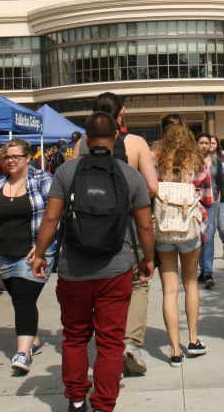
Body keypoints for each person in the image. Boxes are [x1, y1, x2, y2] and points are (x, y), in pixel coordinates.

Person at [30, 111, 155, 412]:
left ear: (85, 138)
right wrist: (148, 259)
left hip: (74, 271)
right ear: (116, 137)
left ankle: (75, 399)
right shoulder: (130, 175)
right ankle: (103, 405)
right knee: (111, 343)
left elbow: (51, 217)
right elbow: (145, 226)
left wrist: (39, 253)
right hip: (116, 270)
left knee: (74, 337)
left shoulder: (66, 172)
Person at [74, 91, 158, 376]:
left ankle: (106, 343)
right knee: (136, 283)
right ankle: (130, 343)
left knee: (97, 284)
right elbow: (152, 187)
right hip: (127, 227)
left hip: (86, 228)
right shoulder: (135, 143)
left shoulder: (81, 146)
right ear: (122, 113)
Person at [0, 138, 55, 373]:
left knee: (24, 299)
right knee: (19, 299)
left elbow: (53, 215)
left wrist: (42, 245)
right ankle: (33, 338)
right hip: (3, 254)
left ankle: (22, 352)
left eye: (16, 157)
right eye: (7, 157)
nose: (11, 161)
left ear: (28, 158)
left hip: (33, 253)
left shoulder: (42, 180)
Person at [155, 116, 212, 366]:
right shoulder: (198, 163)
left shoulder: (156, 161)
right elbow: (208, 200)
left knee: (169, 289)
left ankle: (175, 350)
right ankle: (193, 339)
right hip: (189, 230)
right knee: (190, 283)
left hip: (164, 230)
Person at [196, 132, 224, 288]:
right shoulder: (191, 161)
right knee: (199, 236)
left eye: (207, 143)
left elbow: (221, 182)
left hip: (212, 203)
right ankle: (202, 270)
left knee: (210, 235)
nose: (204, 145)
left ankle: (208, 272)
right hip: (195, 203)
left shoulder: (216, 161)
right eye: (201, 142)